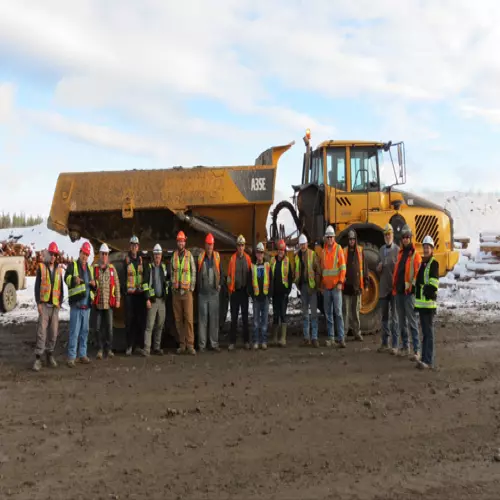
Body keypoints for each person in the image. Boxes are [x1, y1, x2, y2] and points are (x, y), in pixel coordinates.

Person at [32, 242, 64, 371]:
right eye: (51, 254)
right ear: (48, 254)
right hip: (44, 306)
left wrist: (60, 303)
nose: (53, 257)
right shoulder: (42, 268)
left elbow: (61, 288)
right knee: (41, 333)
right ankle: (38, 358)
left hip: (54, 307)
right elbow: (37, 286)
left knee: (53, 333)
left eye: (55, 254)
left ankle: (49, 355)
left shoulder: (58, 270)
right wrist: (38, 303)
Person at [392, 224, 422, 360]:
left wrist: (412, 288)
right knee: (402, 322)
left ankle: (416, 350)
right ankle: (405, 347)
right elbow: (398, 272)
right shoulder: (400, 253)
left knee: (412, 322)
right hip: (399, 292)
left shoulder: (415, 255)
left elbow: (417, 274)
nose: (405, 239)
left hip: (408, 294)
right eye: (403, 237)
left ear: (411, 238)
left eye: (407, 237)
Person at [65, 242, 96, 367]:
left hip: (86, 307)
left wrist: (95, 284)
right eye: (84, 254)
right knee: (74, 332)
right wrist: (74, 280)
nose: (85, 257)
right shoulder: (73, 265)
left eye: (87, 255)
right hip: (76, 306)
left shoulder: (89, 269)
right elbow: (66, 278)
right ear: (80, 252)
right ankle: (71, 357)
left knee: (84, 332)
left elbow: (93, 285)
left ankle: (82, 354)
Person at [415, 235, 439, 370]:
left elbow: (433, 283)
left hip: (428, 305)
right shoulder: (424, 263)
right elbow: (419, 282)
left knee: (428, 334)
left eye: (428, 247)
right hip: (422, 305)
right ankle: (424, 359)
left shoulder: (433, 263)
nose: (425, 249)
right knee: (425, 333)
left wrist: (424, 290)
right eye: (424, 247)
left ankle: (428, 360)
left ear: (432, 249)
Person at [171, 231, 197, 355]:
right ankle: (182, 344)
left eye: (182, 241)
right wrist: (172, 284)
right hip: (176, 293)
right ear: (177, 242)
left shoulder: (189, 256)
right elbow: (171, 273)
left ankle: (190, 345)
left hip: (186, 292)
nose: (181, 243)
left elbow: (193, 272)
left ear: (184, 242)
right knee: (178, 320)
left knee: (188, 319)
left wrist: (191, 288)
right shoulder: (174, 256)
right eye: (179, 241)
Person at [93, 243, 120, 360]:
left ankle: (108, 349)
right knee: (98, 328)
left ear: (108, 255)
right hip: (98, 303)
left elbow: (117, 285)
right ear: (99, 255)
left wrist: (118, 299)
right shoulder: (95, 269)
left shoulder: (112, 269)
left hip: (109, 303)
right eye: (102, 254)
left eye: (106, 254)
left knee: (109, 327)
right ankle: (100, 349)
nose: (104, 256)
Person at [320, 225, 346, 347]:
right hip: (326, 288)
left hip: (336, 287)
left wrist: (340, 282)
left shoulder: (338, 249)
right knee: (328, 314)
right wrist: (322, 285)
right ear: (325, 238)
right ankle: (331, 338)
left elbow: (343, 268)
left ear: (334, 238)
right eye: (328, 237)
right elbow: (322, 270)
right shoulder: (323, 251)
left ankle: (341, 338)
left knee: (338, 313)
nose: (330, 239)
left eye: (331, 237)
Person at [197, 233, 223, 353]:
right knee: (203, 320)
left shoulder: (217, 257)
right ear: (205, 245)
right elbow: (197, 274)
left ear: (213, 245)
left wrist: (220, 284)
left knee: (214, 319)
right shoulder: (201, 257)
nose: (209, 247)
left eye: (211, 244)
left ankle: (214, 343)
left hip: (213, 294)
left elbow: (221, 272)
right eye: (208, 244)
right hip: (203, 293)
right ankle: (202, 345)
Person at [294, 233, 321, 347]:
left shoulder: (312, 254)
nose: (303, 246)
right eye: (301, 244)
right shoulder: (296, 257)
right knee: (305, 314)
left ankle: (314, 338)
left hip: (312, 287)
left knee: (313, 314)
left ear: (307, 244)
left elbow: (318, 270)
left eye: (304, 244)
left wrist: (317, 285)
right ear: (299, 245)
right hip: (303, 287)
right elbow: (296, 271)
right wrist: (298, 285)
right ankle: (306, 338)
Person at [376, 224, 400, 353]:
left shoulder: (397, 250)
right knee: (384, 317)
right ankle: (385, 342)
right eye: (385, 234)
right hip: (384, 288)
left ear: (392, 235)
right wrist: (378, 267)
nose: (387, 236)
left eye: (389, 234)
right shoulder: (381, 250)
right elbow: (378, 267)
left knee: (394, 317)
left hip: (394, 289)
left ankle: (395, 345)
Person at [142, 244, 168, 356]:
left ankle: (156, 347)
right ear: (154, 255)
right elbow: (145, 284)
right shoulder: (149, 267)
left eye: (159, 255)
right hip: (152, 301)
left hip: (161, 301)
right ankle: (147, 349)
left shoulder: (163, 267)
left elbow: (166, 281)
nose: (158, 257)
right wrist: (147, 298)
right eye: (156, 255)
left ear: (161, 256)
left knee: (160, 325)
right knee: (150, 326)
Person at [227, 234, 252, 351]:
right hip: (235, 292)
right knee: (234, 318)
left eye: (242, 245)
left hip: (244, 292)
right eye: (239, 245)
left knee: (245, 318)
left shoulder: (248, 258)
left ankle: (246, 341)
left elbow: (251, 275)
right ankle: (232, 342)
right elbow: (229, 276)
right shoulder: (232, 259)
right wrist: (230, 289)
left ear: (244, 246)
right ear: (236, 246)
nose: (241, 247)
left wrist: (250, 290)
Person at [342, 229, 368, 341]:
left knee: (356, 311)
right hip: (346, 286)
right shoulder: (344, 251)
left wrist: (366, 283)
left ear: (355, 239)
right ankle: (344, 333)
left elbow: (365, 268)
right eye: (350, 239)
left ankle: (357, 332)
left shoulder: (360, 251)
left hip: (357, 286)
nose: (351, 241)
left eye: (353, 239)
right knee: (346, 312)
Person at [124, 236, 146, 356]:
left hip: (139, 295)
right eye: (132, 245)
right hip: (130, 296)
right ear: (130, 246)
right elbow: (123, 277)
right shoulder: (126, 260)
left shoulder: (141, 260)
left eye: (136, 245)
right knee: (129, 321)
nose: (134, 247)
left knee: (139, 321)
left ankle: (139, 346)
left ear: (138, 247)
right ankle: (129, 346)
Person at [270, 239, 293, 347]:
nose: (281, 252)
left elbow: (290, 277)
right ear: (277, 250)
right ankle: (274, 338)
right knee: (275, 315)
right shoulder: (272, 261)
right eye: (279, 250)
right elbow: (270, 277)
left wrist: (288, 291)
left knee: (283, 315)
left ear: (284, 251)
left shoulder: (287, 261)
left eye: (282, 250)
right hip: (275, 293)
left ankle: (282, 338)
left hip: (283, 294)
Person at [251, 242, 272, 350]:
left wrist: (269, 295)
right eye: (258, 253)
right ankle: (256, 341)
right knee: (255, 322)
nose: (260, 255)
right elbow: (250, 281)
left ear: (263, 254)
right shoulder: (253, 266)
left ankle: (263, 341)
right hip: (256, 298)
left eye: (261, 253)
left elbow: (271, 281)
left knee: (264, 321)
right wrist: (252, 294)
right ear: (256, 254)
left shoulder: (267, 266)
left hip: (265, 297)